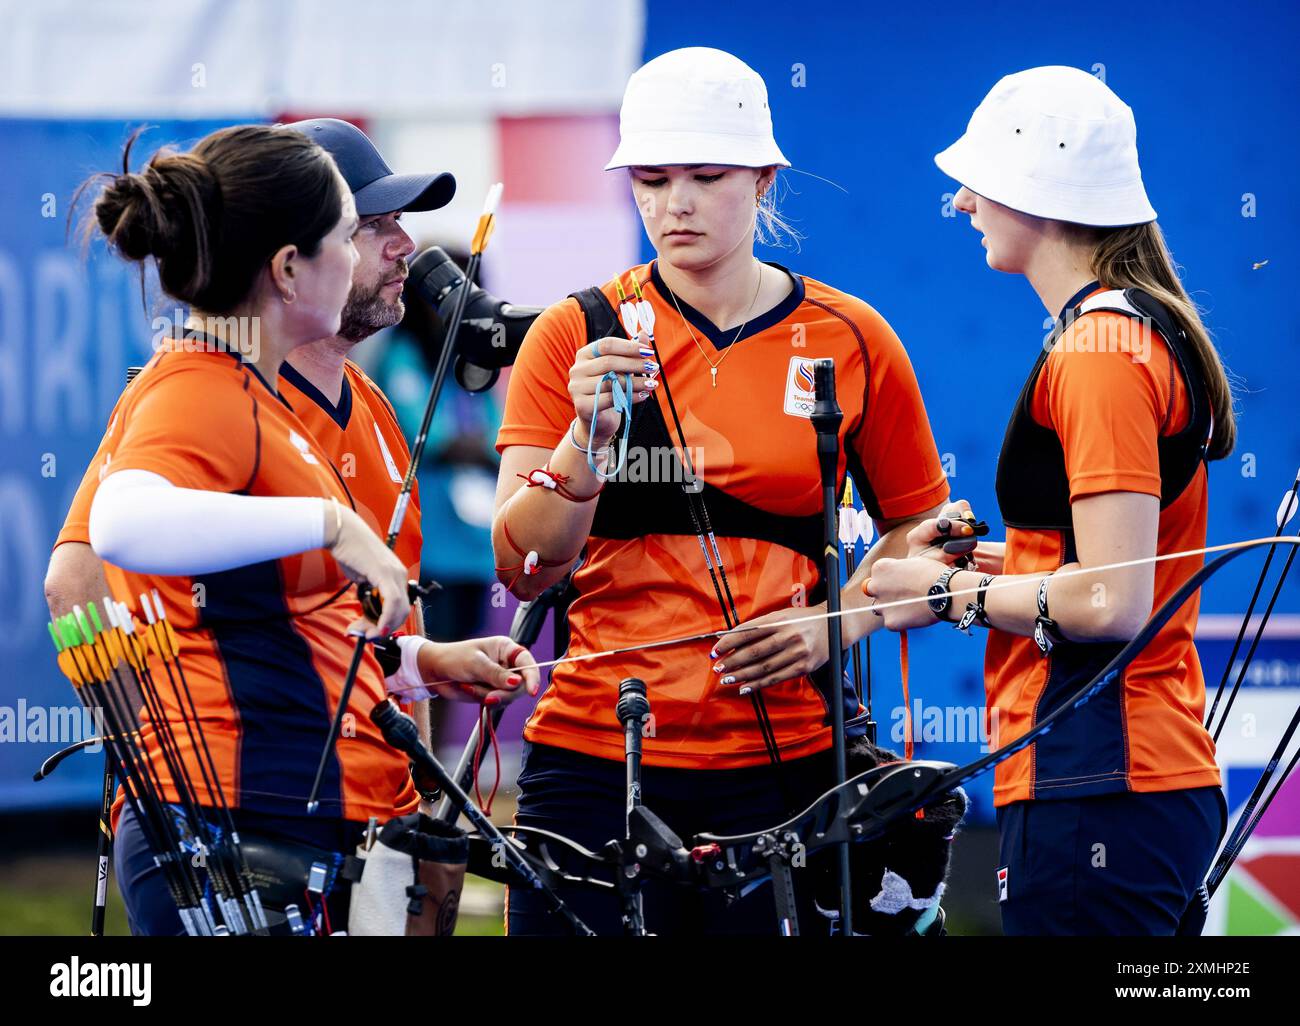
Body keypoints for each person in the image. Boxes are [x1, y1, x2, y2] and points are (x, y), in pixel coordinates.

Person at [493, 47, 950, 935]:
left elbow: (930, 540)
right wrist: (584, 444)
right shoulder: (574, 333)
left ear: (765, 179)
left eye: (707, 175)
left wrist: (838, 621)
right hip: (597, 754)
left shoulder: (853, 337)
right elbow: (524, 567)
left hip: (791, 758)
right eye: (653, 180)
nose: (677, 204)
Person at [56, 123, 537, 935]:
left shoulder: (322, 398)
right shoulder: (199, 380)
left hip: (329, 814)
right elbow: (116, 528)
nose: (392, 253)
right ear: (288, 265)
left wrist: (422, 664)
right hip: (236, 810)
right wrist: (331, 524)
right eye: (357, 231)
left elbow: (322, 624)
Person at [867, 66, 1234, 935]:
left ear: (1038, 192)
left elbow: (1109, 600)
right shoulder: (1124, 328)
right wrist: (1006, 565)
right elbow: (1105, 567)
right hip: (1124, 780)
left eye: (979, 181)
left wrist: (944, 596)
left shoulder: (1101, 349)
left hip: (1099, 781)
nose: (961, 202)